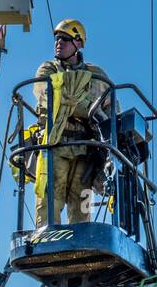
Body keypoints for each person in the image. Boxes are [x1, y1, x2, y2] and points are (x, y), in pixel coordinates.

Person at [32, 19, 111, 227]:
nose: (59, 42)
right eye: (57, 38)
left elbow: (111, 113)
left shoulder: (98, 76)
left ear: (79, 43)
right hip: (55, 145)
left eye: (65, 39)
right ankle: (48, 246)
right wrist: (90, 110)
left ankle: (81, 253)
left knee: (81, 209)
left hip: (86, 150)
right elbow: (51, 98)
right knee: (49, 202)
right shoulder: (47, 70)